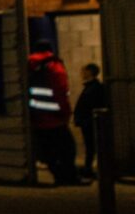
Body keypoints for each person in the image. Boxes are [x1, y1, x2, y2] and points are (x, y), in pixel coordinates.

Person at [27, 39, 80, 186]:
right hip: (54, 117)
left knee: (48, 151)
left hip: (36, 115)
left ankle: (58, 175)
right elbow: (60, 90)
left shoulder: (27, 64)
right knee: (68, 149)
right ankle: (69, 178)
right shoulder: (54, 65)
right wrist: (66, 112)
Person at [73, 62, 107, 178]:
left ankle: (89, 168)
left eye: (84, 71)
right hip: (87, 121)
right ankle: (88, 168)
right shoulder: (92, 87)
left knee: (91, 145)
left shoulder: (93, 88)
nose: (81, 73)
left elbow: (88, 105)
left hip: (88, 122)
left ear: (90, 72)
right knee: (90, 146)